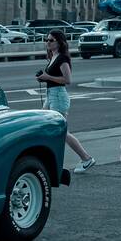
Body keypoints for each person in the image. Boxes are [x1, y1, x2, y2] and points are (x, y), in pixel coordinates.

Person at [35, 30, 96, 173]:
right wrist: (43, 77)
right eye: (47, 39)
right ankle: (45, 160)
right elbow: (51, 76)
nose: (48, 42)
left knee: (61, 132)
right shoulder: (52, 56)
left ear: (59, 42)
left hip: (58, 97)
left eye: (51, 40)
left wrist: (47, 77)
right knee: (42, 126)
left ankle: (86, 158)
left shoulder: (62, 58)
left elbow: (67, 80)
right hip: (50, 96)